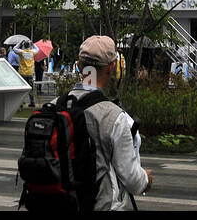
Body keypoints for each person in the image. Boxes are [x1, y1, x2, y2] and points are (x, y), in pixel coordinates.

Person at [65, 35, 152, 210]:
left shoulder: (55, 107)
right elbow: (132, 179)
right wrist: (146, 179)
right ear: (111, 68)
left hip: (60, 202)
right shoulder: (114, 117)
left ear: (79, 66)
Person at [17, 41, 36, 108]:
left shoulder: (21, 52)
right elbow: (38, 49)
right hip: (30, 73)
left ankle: (21, 103)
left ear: (24, 46)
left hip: (23, 73)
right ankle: (32, 102)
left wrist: (20, 43)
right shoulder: (33, 52)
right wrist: (33, 44)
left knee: (22, 89)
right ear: (29, 46)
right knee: (31, 88)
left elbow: (14, 48)